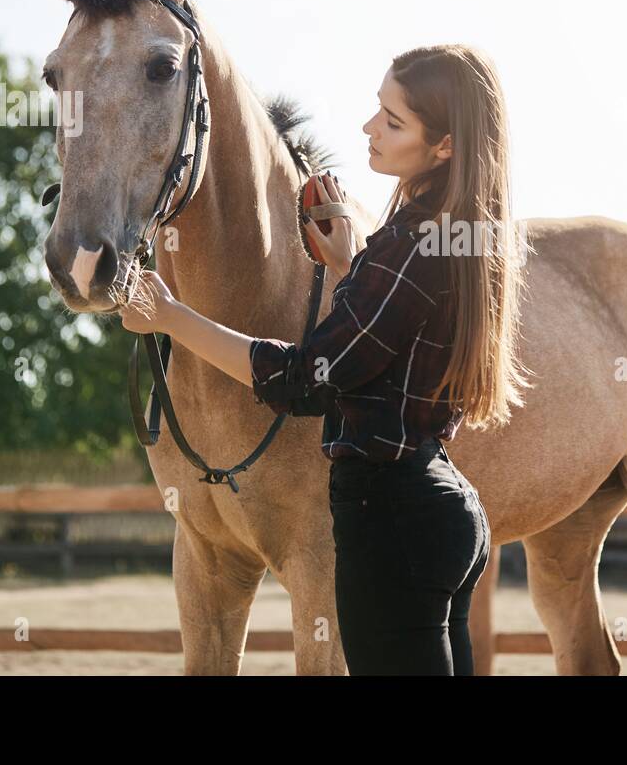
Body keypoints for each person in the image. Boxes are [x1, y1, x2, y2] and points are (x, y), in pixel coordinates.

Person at [120, 44, 533, 675]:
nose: (370, 128)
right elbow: (384, 347)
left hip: (391, 522)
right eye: (377, 109)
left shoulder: (405, 248)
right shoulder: (448, 242)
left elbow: (304, 379)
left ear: (445, 147)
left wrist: (171, 317)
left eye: (394, 122)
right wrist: (348, 268)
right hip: (439, 509)